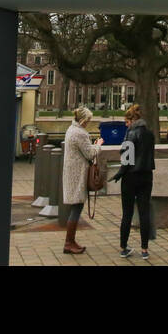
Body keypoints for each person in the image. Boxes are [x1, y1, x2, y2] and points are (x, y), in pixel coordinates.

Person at [111, 104, 156, 259]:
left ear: (132, 120)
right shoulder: (150, 134)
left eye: (127, 121)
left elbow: (126, 158)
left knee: (127, 213)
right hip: (146, 176)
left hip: (130, 177)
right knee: (144, 213)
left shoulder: (130, 134)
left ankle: (123, 246)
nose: (125, 124)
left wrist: (118, 174)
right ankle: (144, 249)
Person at [61, 107, 104, 254]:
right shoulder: (80, 133)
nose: (89, 123)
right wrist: (98, 144)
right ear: (83, 120)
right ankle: (69, 242)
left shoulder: (71, 130)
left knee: (75, 206)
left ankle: (71, 241)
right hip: (78, 175)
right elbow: (90, 153)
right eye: (88, 121)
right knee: (77, 207)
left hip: (71, 173)